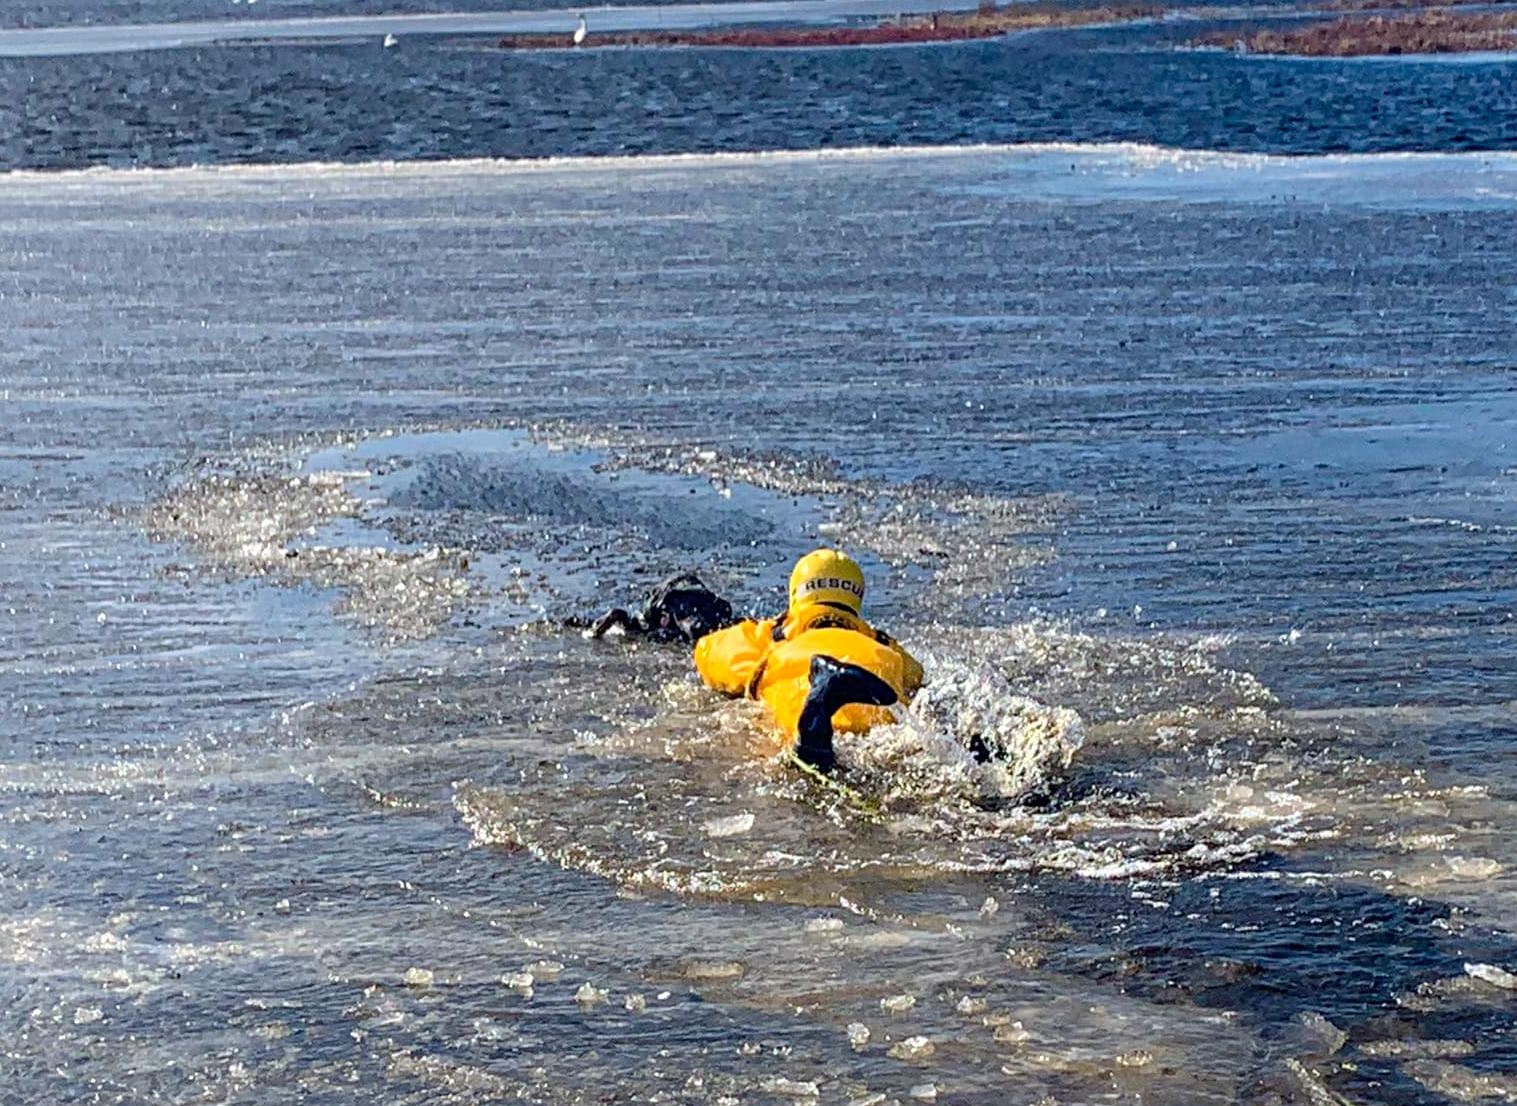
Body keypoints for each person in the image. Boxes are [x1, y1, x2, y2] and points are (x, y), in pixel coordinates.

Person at [693, 549, 923, 771]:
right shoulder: (882, 643)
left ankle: (817, 717)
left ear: (796, 594)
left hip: (805, 681)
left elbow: (709, 652)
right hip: (872, 689)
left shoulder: (769, 637)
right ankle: (829, 705)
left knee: (789, 729)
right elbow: (917, 676)